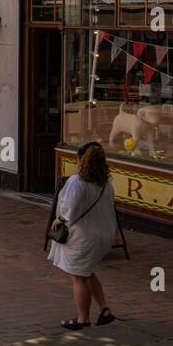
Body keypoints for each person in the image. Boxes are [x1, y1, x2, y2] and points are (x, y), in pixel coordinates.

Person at [48, 141, 118, 330]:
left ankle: (82, 319)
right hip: (103, 236)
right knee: (87, 271)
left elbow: (70, 209)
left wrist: (59, 219)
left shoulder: (76, 182)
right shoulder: (105, 184)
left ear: (81, 160)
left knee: (78, 277)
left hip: (83, 238)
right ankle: (104, 310)